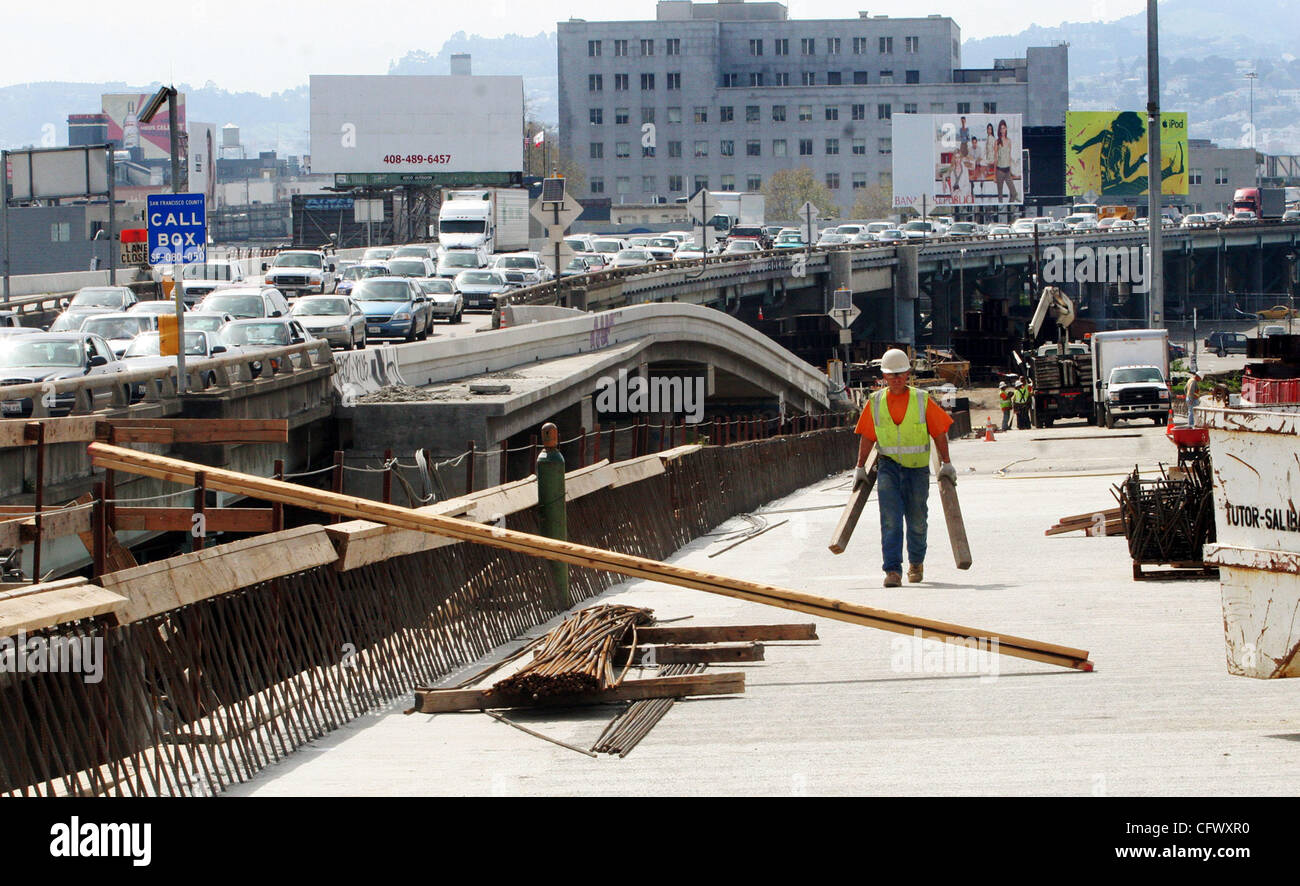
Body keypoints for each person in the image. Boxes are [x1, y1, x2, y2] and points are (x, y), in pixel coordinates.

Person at [853, 349, 955, 588]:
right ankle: (892, 571)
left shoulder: (921, 399)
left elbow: (939, 432)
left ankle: (916, 563)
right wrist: (859, 466)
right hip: (888, 466)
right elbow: (867, 435)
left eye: (900, 374)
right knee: (890, 519)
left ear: (908, 373)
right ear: (884, 377)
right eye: (891, 375)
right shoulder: (876, 401)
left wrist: (947, 463)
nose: (896, 378)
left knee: (917, 519)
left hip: (917, 469)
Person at [995, 119, 1019, 203]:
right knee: (1000, 196)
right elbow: (996, 158)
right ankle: (1001, 212)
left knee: (1014, 193)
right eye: (1001, 128)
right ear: (999, 130)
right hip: (999, 171)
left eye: (1004, 128)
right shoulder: (997, 142)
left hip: (1007, 171)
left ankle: (1010, 205)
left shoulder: (1009, 141)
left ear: (1006, 129)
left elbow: (1009, 157)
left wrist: (1011, 171)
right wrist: (995, 175)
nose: (1003, 130)